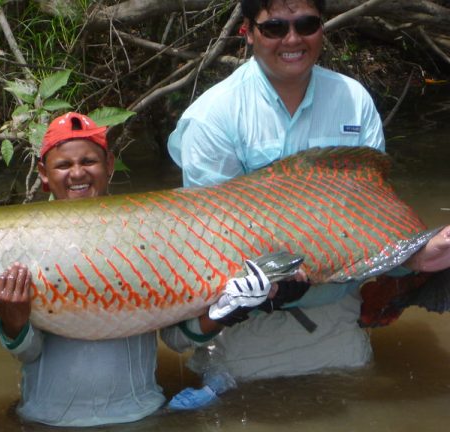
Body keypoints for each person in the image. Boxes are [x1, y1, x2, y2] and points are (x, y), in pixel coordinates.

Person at [165, 0, 450, 406]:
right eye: (275, 27)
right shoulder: (213, 116)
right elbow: (213, 239)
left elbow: (370, 214)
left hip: (337, 320)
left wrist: (417, 254)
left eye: (306, 24)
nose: (292, 39)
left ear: (322, 28)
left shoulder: (353, 100)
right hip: (246, 332)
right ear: (247, 31)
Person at [0, 112, 285, 427]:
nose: (77, 173)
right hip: (45, 420)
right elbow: (27, 352)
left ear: (110, 165)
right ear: (44, 174)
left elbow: (178, 339)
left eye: (89, 161)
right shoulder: (26, 241)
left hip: (139, 416)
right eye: (63, 165)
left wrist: (228, 308)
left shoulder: (149, 234)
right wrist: (14, 323)